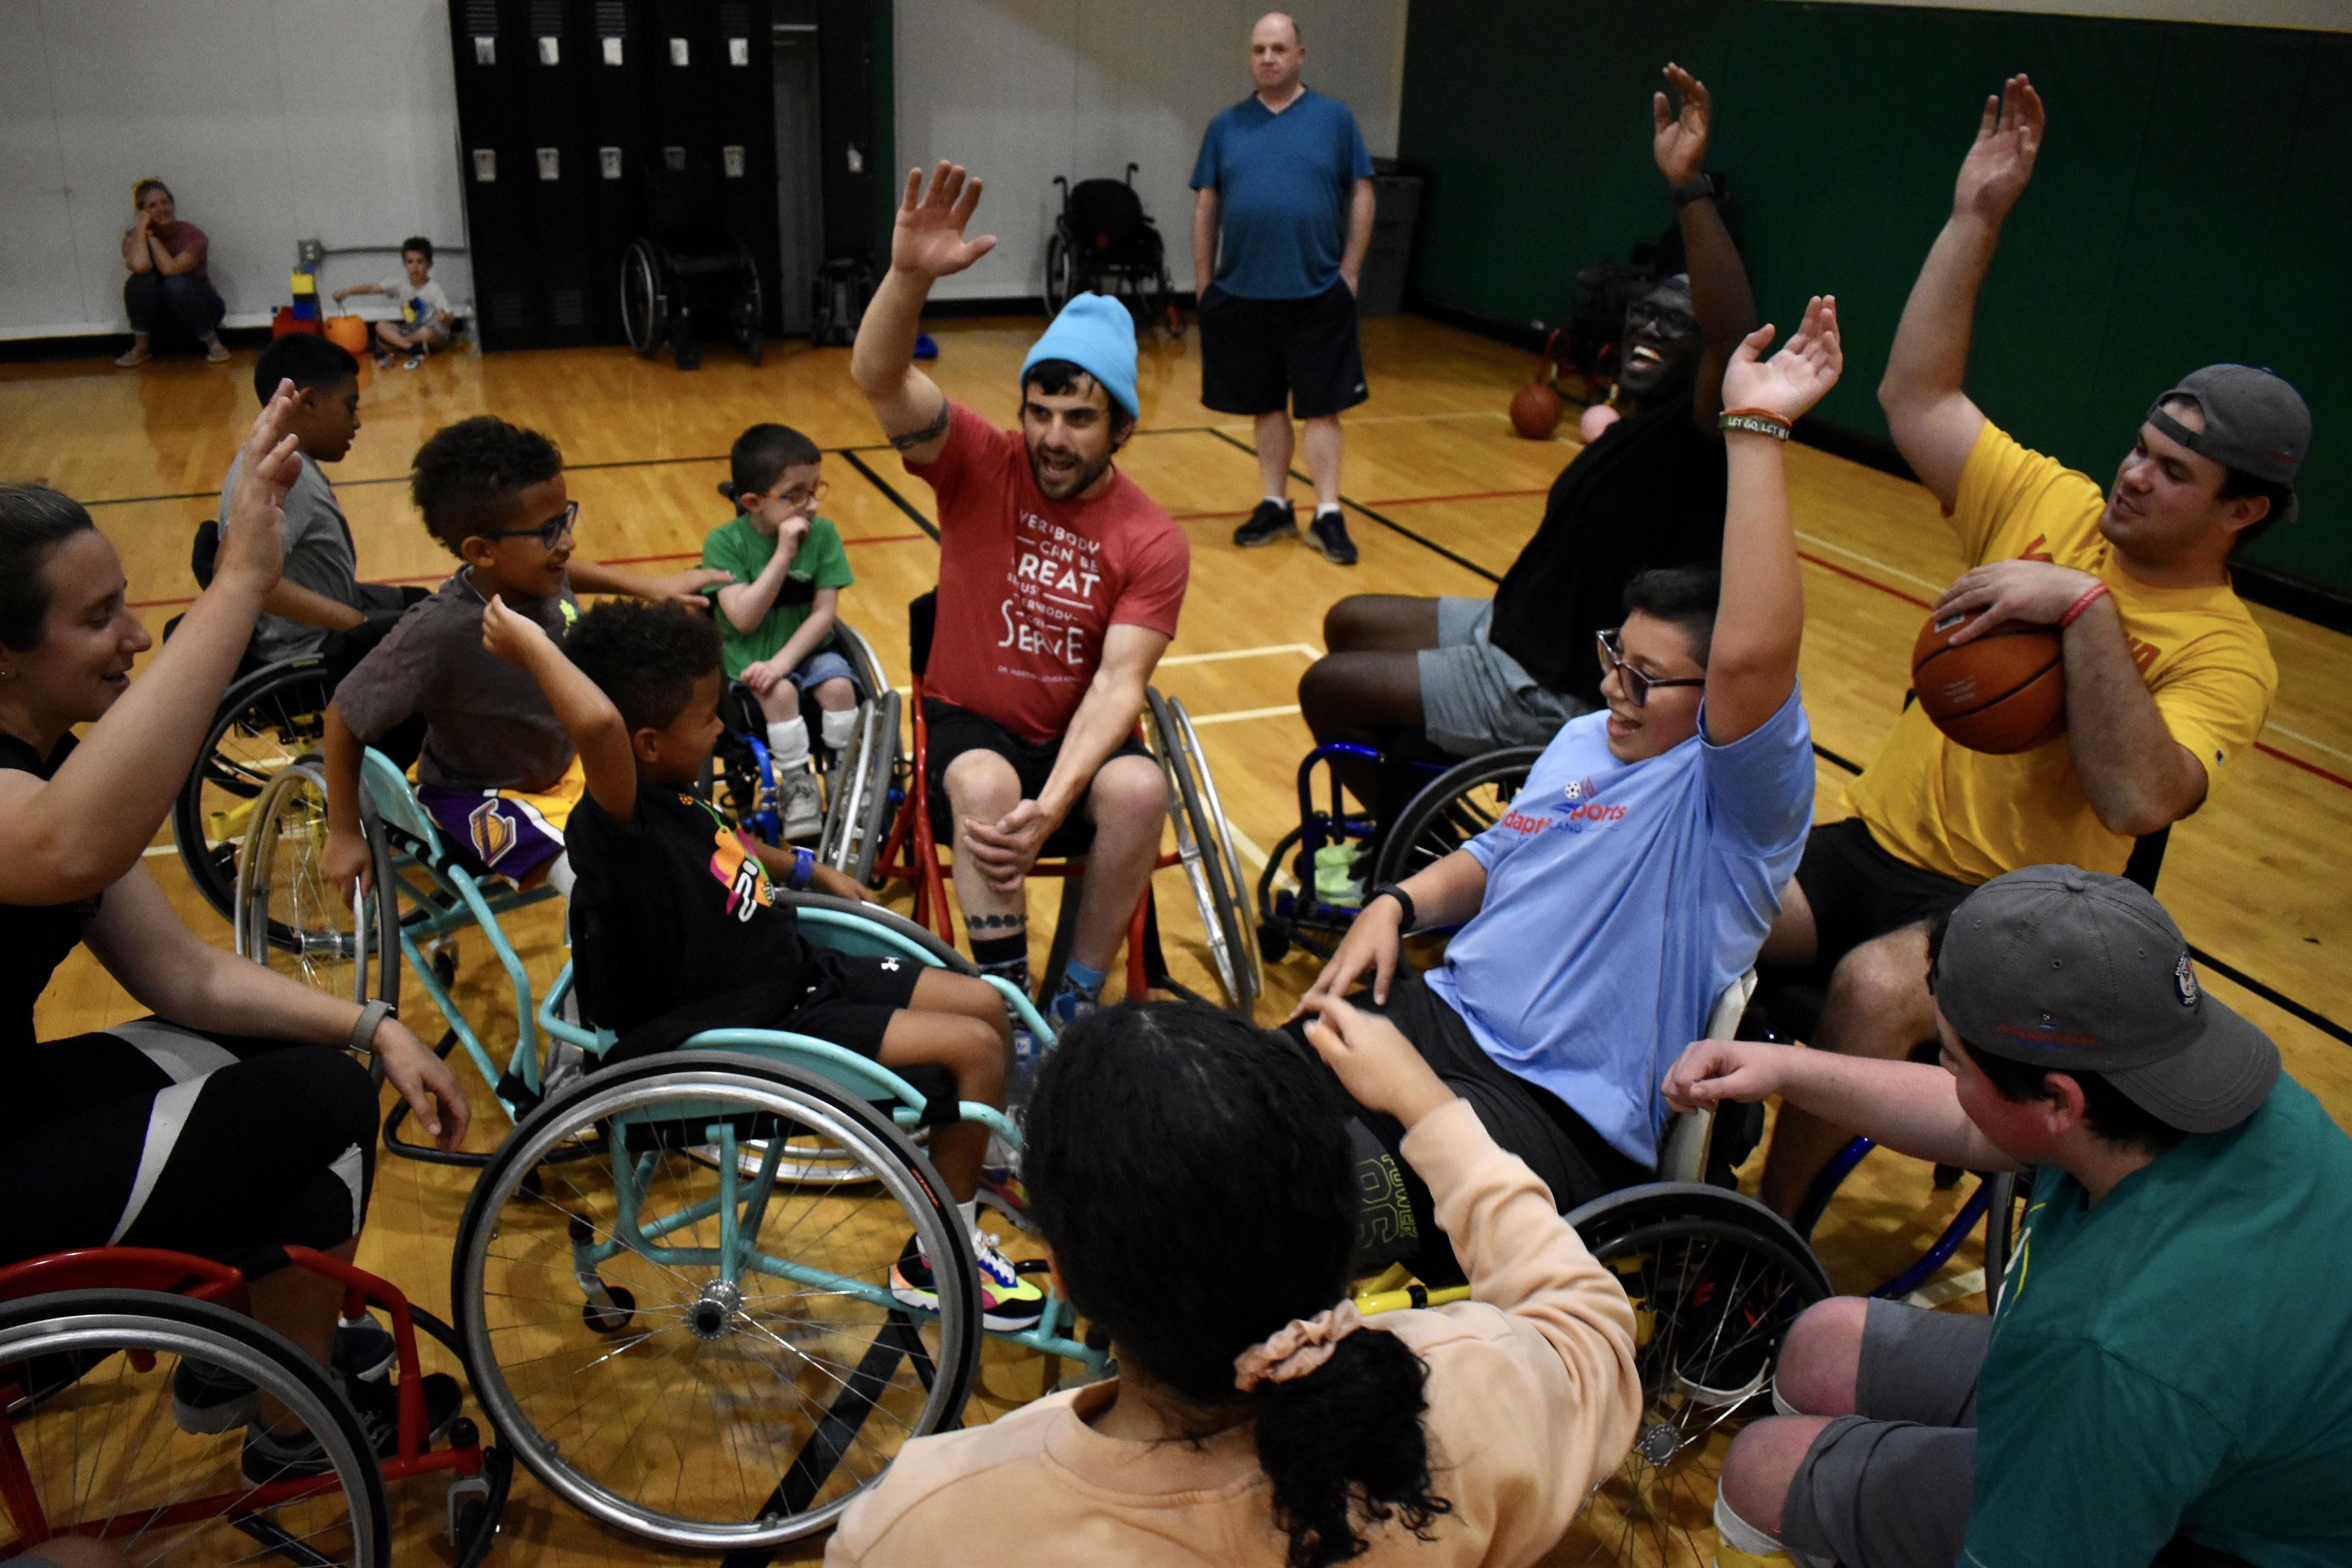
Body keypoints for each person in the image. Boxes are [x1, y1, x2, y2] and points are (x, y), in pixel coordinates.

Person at [1752, 76, 2298, 1219]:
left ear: (2241, 511)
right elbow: (1916, 395)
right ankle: (1625, 1139)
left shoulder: (2228, 652)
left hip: (2014, 915)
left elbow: (2136, 794)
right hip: (1876, 846)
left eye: (2173, 470)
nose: (2135, 473)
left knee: (1862, 985)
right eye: (2141, 447)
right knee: (1696, 889)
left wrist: (2080, 609)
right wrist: (1974, 219)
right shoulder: (2044, 497)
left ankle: (1761, 1237)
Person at [1294, 297, 1842, 1280]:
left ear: (1712, 695)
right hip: (1440, 1015)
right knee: (1229, 1111)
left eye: (1644, 675)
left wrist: (1756, 430)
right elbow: (1501, 853)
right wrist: (1395, 900)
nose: (1610, 689)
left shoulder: (1735, 808)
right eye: (1612, 657)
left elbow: (1757, 657)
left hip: (1552, 1114)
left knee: (1319, 1201)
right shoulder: (1588, 736)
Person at [0, 392, 471, 1485]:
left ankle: (258, 1378)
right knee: (316, 1104)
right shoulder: (45, 811)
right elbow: (66, 850)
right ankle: (292, 1417)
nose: (130, 635)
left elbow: (187, 973)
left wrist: (377, 1022)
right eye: (97, 618)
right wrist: (241, 587)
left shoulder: (50, 764)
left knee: (309, 1067)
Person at [1667, 867, 2352, 1568]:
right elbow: (1983, 1121)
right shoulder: (2184, 1079)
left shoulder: (2117, 1348)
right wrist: (1787, 1070)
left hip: (2234, 1525)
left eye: (1954, 1061)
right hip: (2232, 1433)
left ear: (2059, 1102)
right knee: (1822, 1341)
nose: (1948, 1077)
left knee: (1763, 1469)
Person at [826, 993, 1641, 1567]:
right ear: (1340, 1227)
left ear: (1067, 1275)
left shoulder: (925, 1521)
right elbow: (1592, 1323)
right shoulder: (1477, 1388)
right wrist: (1426, 1109)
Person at [481, 596, 1047, 1330]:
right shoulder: (616, 822)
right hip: (744, 1026)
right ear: (645, 743)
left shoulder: (670, 792)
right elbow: (595, 725)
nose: (721, 726)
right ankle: (940, 1256)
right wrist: (530, 642)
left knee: (986, 1005)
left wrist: (807, 870)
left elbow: (723, 844)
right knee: (971, 1049)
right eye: (708, 716)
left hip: (792, 972)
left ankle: (961, 1182)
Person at [1298, 64, 1758, 821]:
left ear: (1703, 361)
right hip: (1519, 626)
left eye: (1676, 329)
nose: (1650, 329)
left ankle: (1422, 847)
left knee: (1329, 688)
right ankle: (1417, 807)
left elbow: (1732, 329)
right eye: (1644, 316)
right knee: (1350, 619)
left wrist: (1689, 189)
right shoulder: (1633, 424)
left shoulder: (1703, 439)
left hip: (1561, 678)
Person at [850, 163, 1189, 1027]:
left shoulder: (1151, 538)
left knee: (1141, 793)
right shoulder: (980, 462)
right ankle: (1005, 1005)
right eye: (1040, 410)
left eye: (1079, 418)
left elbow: (1119, 686)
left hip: (1076, 731)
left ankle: (1072, 1002)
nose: (1051, 435)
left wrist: (1061, 799)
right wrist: (911, 275)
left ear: (1123, 428)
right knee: (985, 782)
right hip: (974, 722)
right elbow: (881, 378)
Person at [320, 416, 730, 902]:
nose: (568, 541)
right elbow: (344, 716)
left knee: (685, 838)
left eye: (567, 517)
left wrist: (647, 586)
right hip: (486, 796)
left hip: (566, 767)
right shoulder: (439, 632)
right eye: (549, 531)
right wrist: (344, 831)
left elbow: (568, 569)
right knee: (602, 887)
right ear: (482, 551)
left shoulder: (539, 575)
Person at [1194, 12, 1376, 566]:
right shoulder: (1226, 126)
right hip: (1244, 292)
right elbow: (1207, 205)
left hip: (1318, 291)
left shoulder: (1334, 119)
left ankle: (1328, 512)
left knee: (1323, 409)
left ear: (1300, 55)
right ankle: (1274, 503)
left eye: (1278, 48)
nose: (1268, 58)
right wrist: (1204, 281)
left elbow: (1362, 192)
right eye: (1258, 50)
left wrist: (1350, 271)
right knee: (1266, 407)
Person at [215, 333, 425, 666]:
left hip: (334, 613)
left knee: (427, 604)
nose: (356, 422)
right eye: (349, 406)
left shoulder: (281, 457)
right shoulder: (282, 473)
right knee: (440, 639)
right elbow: (234, 572)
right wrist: (353, 622)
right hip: (309, 651)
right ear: (309, 403)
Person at [702, 423, 859, 839]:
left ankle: (847, 781)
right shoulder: (723, 543)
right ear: (752, 502)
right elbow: (744, 618)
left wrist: (784, 661)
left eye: (815, 490)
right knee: (780, 691)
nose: (811, 506)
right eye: (796, 495)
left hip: (808, 652)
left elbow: (824, 614)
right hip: (749, 662)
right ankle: (799, 786)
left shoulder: (824, 535)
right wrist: (785, 552)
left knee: (841, 687)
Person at [116, 178, 227, 366]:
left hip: (203, 308)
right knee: (139, 282)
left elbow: (171, 269)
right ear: (143, 213)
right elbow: (140, 266)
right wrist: (144, 231)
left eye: (165, 202)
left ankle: (213, 343)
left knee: (176, 283)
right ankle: (141, 348)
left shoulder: (193, 235)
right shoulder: (135, 238)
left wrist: (152, 239)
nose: (162, 209)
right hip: (165, 319)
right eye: (153, 206)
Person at [332, 235, 457, 370]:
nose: (415, 267)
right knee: (381, 326)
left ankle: (397, 346)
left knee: (424, 332)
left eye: (420, 262)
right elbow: (374, 288)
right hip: (411, 331)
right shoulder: (400, 284)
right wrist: (348, 292)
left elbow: (450, 319)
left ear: (430, 264)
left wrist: (444, 318)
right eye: (410, 262)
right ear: (405, 264)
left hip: (433, 335)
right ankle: (410, 348)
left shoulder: (434, 289)